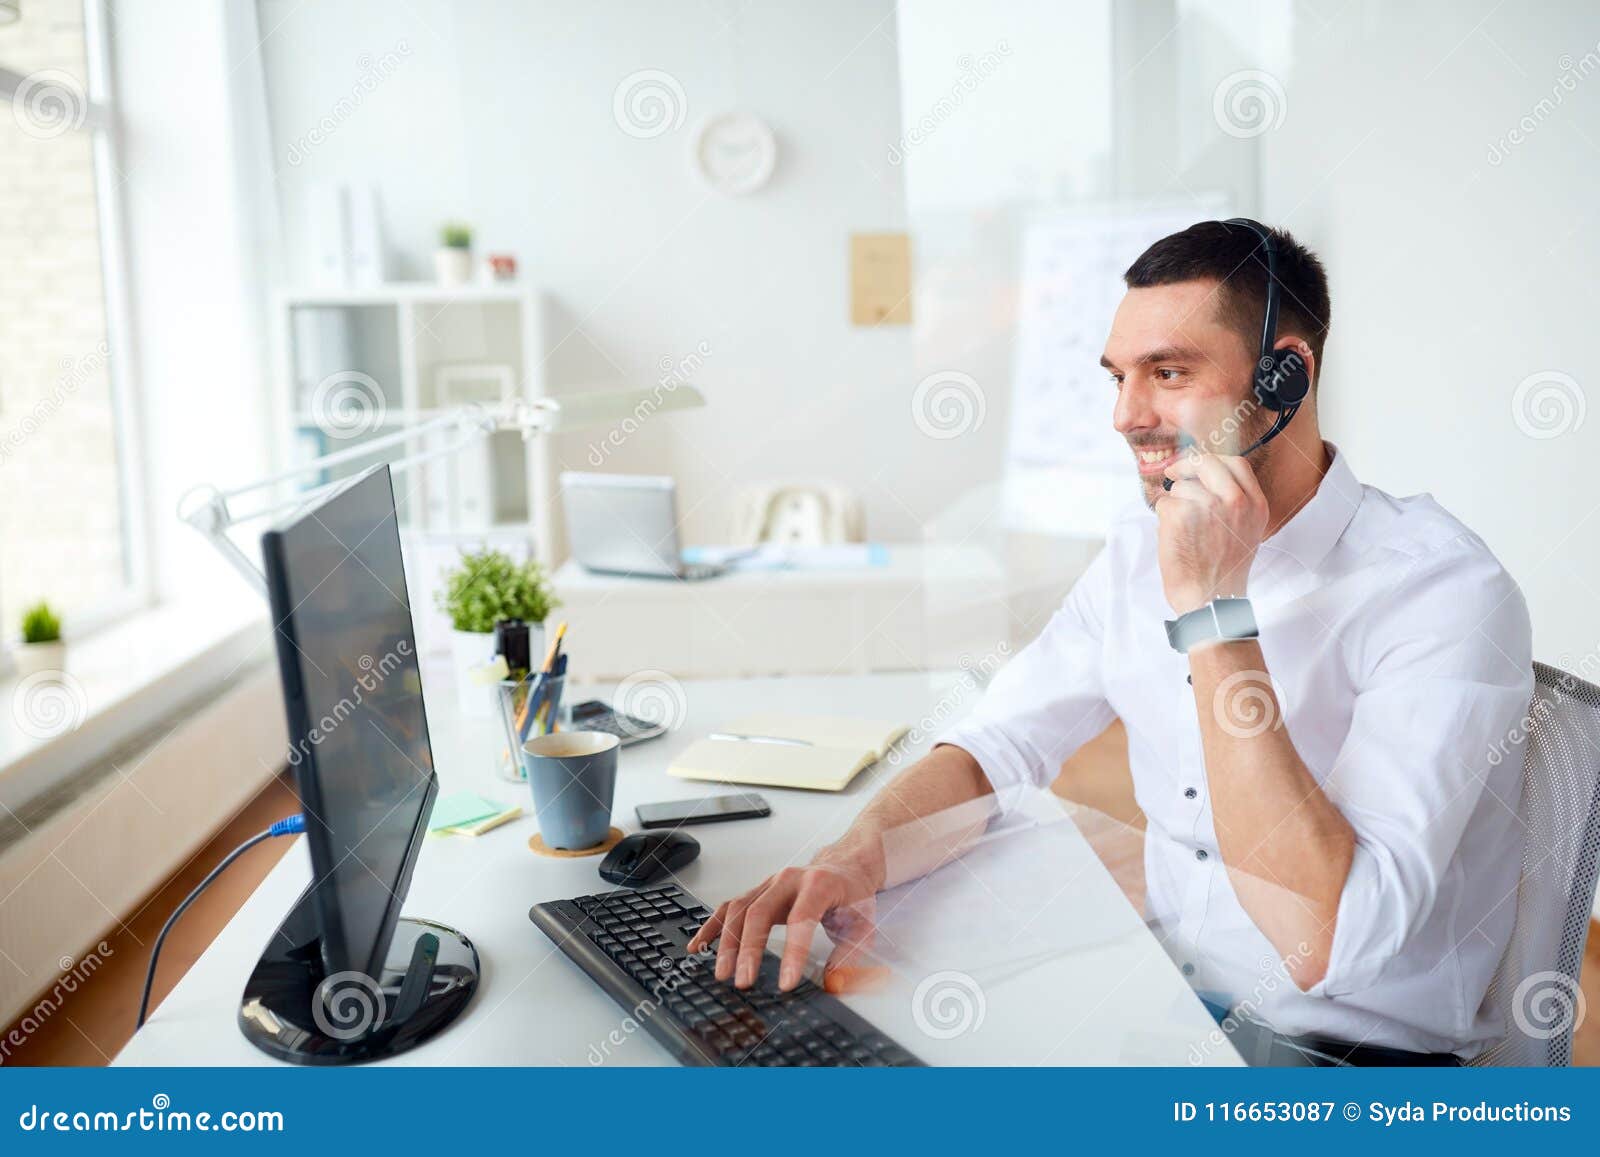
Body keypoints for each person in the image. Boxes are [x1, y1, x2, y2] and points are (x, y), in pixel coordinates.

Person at [688, 219, 1535, 1064]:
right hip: (1168, 997)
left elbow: (1323, 944)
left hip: (1346, 1063)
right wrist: (852, 858)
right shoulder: (1138, 552)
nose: (1128, 416)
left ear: (1285, 376)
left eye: (1168, 372)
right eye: (1118, 377)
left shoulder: (1440, 591)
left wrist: (1212, 609)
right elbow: (995, 746)